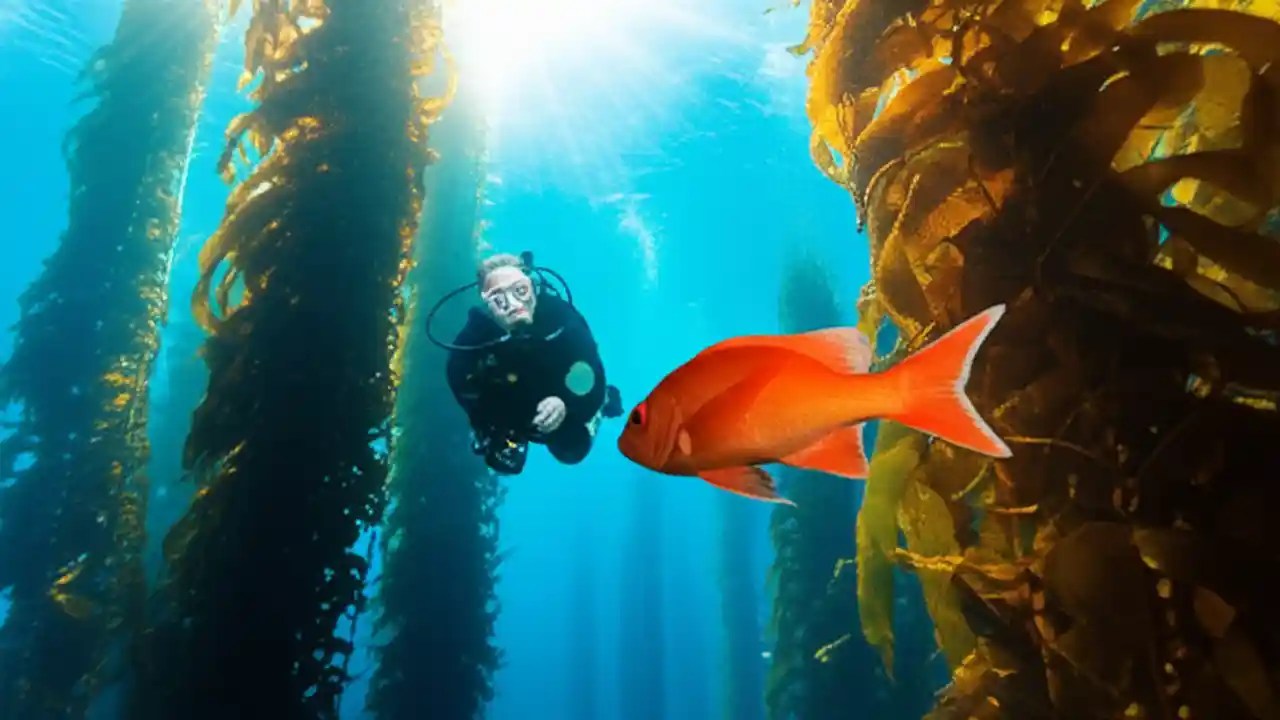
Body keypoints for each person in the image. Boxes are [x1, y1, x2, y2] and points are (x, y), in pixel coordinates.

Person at [445, 252, 623, 474]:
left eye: (519, 291)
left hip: (561, 388)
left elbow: (590, 370)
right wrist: (490, 427)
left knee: (572, 449)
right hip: (514, 401)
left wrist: (566, 402)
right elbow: (459, 379)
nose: (512, 305)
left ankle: (604, 402)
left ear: (532, 286)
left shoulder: (561, 317)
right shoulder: (475, 337)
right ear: (486, 303)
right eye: (498, 299)